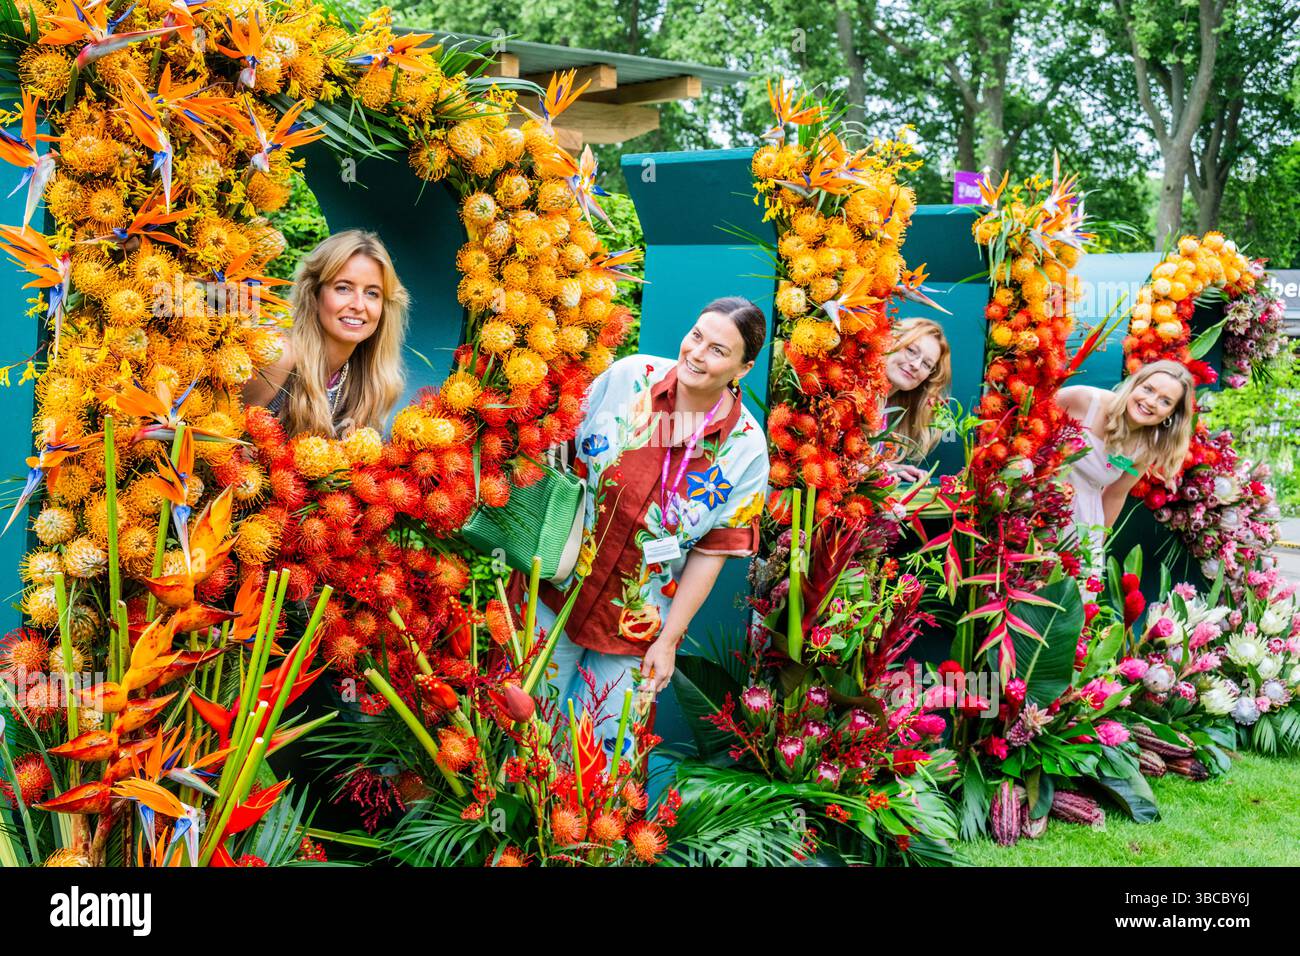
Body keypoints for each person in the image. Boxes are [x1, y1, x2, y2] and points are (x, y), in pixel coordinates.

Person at [532, 296, 771, 744]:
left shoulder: (746, 448)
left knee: (596, 760)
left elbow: (710, 552)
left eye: (718, 350)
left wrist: (668, 641)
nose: (697, 354)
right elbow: (557, 444)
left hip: (637, 622)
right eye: (697, 336)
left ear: (743, 368)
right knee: (517, 730)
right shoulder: (629, 378)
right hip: (551, 592)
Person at [243, 229, 410, 436]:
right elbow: (225, 447)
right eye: (343, 288)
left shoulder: (367, 380)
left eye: (371, 293)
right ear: (314, 294)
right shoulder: (279, 356)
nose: (359, 305)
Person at [1055, 359, 1196, 571]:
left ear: (1171, 415)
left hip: (1080, 524)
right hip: (1037, 501)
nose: (1150, 402)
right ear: (1134, 384)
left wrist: (1093, 549)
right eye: (1148, 389)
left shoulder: (1147, 447)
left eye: (1165, 401)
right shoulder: (1084, 400)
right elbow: (1031, 421)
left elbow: (1115, 494)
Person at [881, 317, 952, 483]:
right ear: (891, 342)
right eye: (911, 350)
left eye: (927, 364)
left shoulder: (886, 404)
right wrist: (881, 469)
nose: (916, 365)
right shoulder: (855, 392)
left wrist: (887, 467)